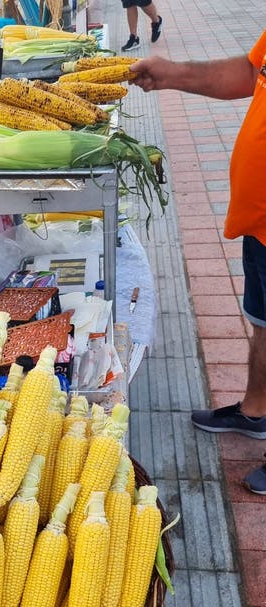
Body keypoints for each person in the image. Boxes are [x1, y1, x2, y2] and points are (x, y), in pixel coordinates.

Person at [130, 37, 266, 495]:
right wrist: (172, 74)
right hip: (260, 219)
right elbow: (251, 73)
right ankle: (255, 412)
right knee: (263, 323)